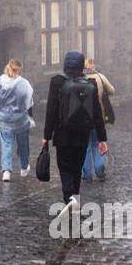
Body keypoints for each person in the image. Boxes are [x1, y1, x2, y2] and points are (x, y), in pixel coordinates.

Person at [42, 50, 108, 208]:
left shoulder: (57, 81)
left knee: (64, 167)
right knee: (77, 168)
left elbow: (51, 110)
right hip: (83, 134)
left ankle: (69, 198)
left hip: (62, 133)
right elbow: (97, 113)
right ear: (81, 65)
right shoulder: (90, 83)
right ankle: (75, 197)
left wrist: (46, 136)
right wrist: (102, 138)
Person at [0, 59, 34, 181]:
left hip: (4, 119)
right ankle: (24, 167)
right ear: (19, 69)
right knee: (23, 144)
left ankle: (6, 171)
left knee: (6, 144)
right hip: (20, 118)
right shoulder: (23, 83)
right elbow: (29, 101)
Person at [82, 58, 116, 182]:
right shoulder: (101, 77)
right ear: (93, 65)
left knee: (85, 146)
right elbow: (112, 90)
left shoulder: (79, 80)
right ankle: (100, 170)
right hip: (99, 117)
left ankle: (87, 174)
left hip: (83, 119)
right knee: (97, 144)